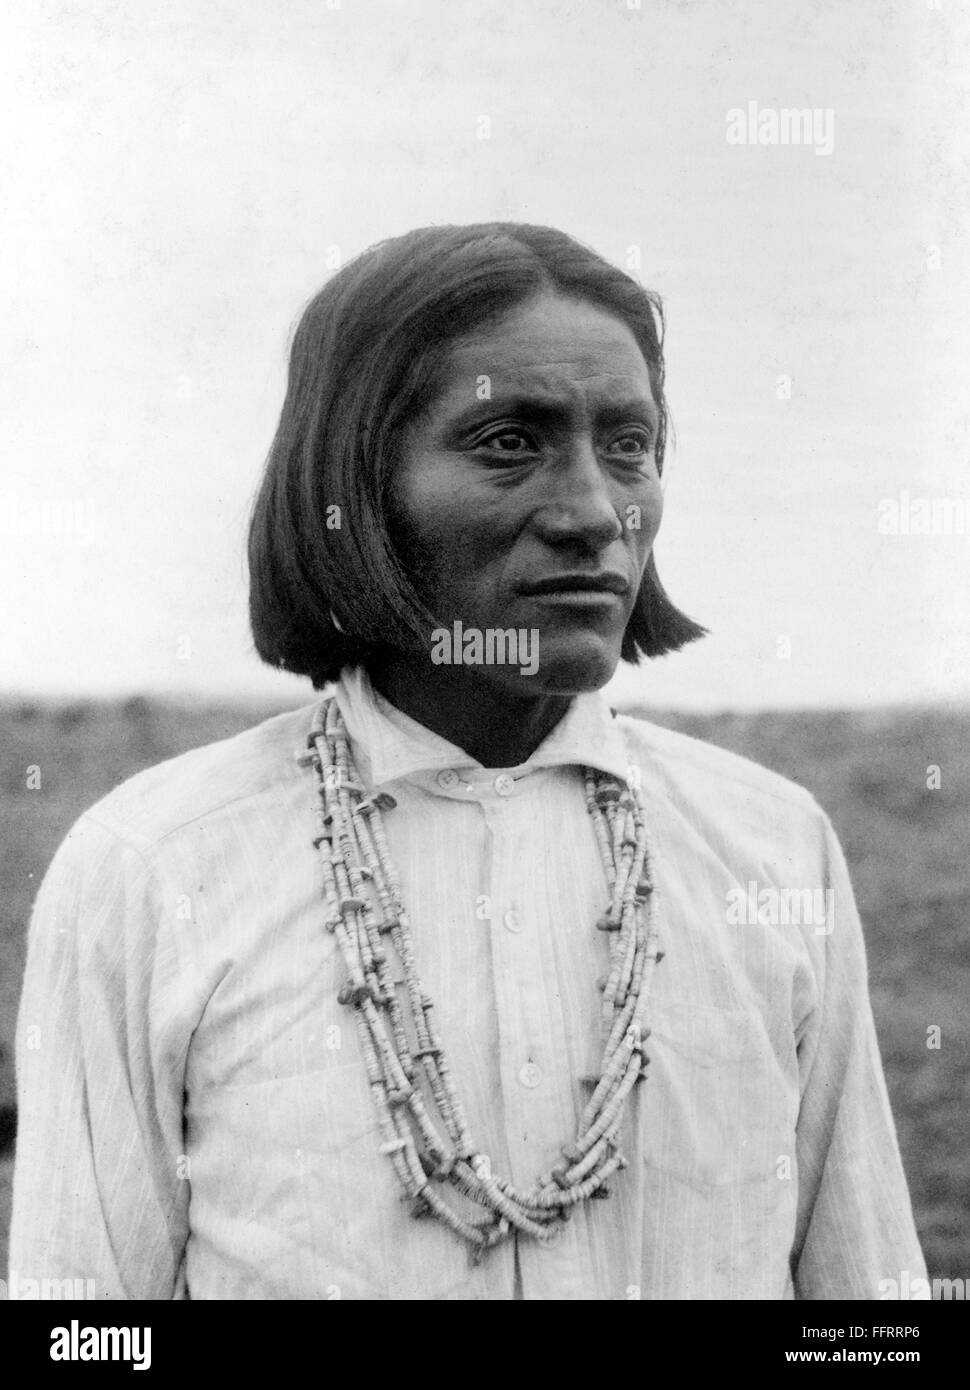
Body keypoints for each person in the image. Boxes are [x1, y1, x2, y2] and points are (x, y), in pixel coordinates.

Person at [10, 223, 927, 1299]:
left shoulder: (772, 851)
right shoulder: (152, 868)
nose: (593, 511)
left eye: (628, 445)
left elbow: (868, 1307)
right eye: (507, 442)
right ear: (352, 482)